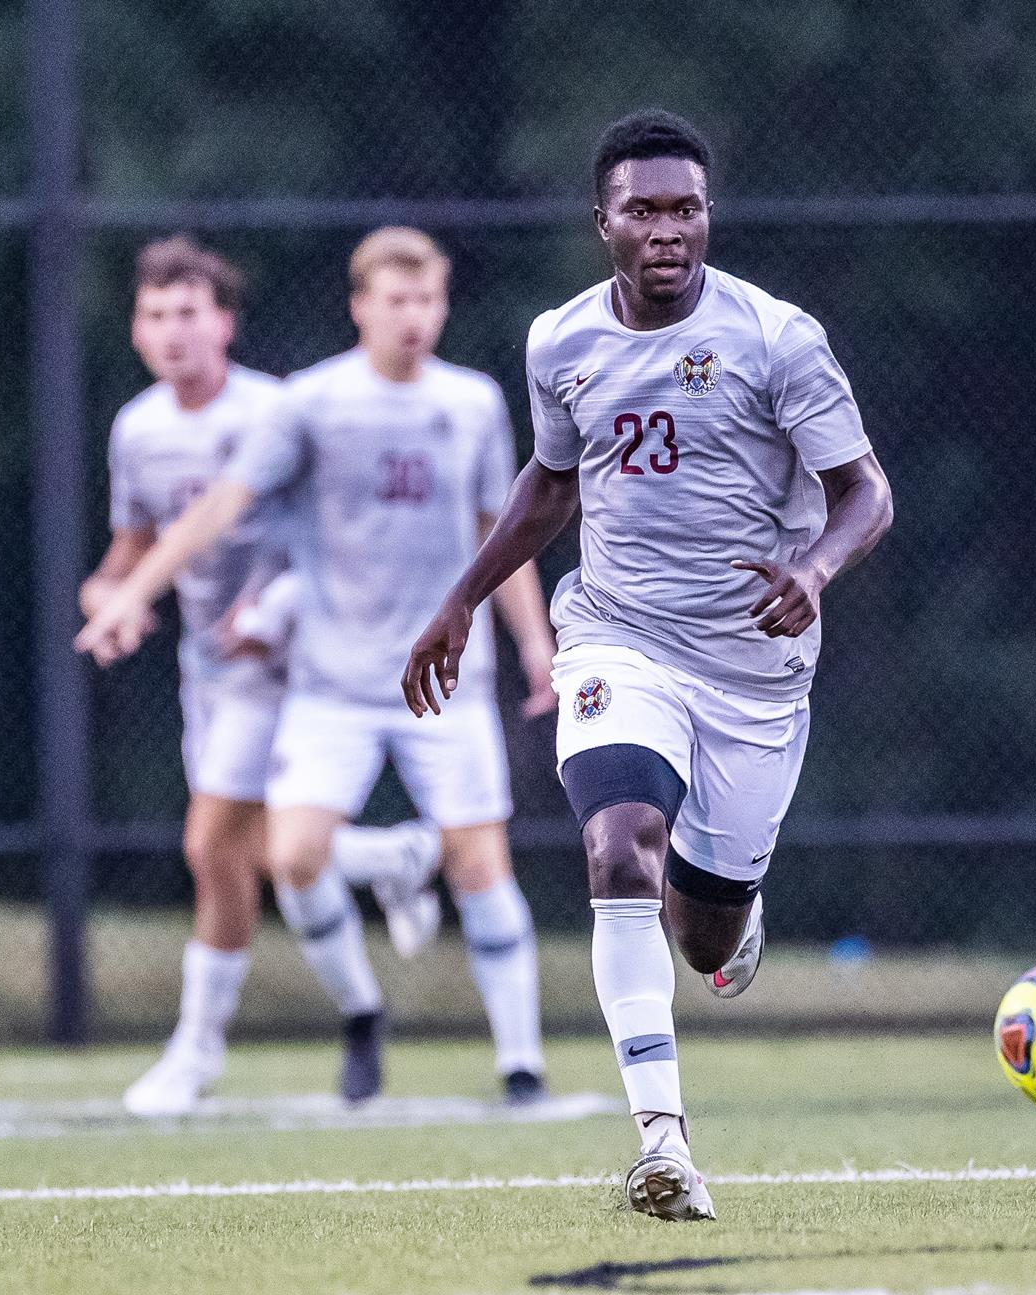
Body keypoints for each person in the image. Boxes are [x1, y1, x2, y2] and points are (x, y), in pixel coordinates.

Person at [401, 110, 894, 1219]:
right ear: (603, 223)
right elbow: (551, 483)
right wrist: (461, 598)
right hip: (616, 634)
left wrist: (812, 569)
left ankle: (728, 907)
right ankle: (663, 1141)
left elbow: (866, 492)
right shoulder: (558, 341)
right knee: (617, 845)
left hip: (756, 670)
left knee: (703, 930)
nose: (668, 229)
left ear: (706, 217)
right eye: (644, 210)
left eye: (686, 209)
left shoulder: (777, 338)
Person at [81, 227, 557, 1105]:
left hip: (430, 673)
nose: (413, 316)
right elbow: (208, 514)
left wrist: (537, 643)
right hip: (321, 677)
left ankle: (521, 1067)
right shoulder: (302, 404)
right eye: (395, 299)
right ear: (359, 306)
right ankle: (370, 936)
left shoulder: (469, 402)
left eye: (427, 299)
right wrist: (126, 591)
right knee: (287, 855)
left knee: (474, 857)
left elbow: (507, 530)